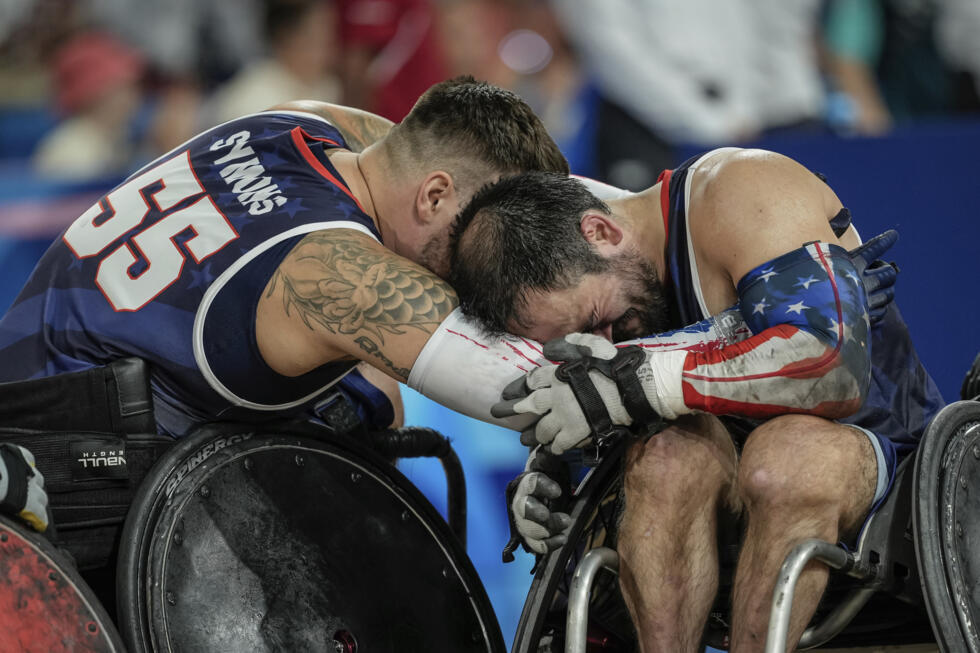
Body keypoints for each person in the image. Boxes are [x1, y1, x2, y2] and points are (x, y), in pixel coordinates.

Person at [0, 75, 568, 559]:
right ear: (435, 196)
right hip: (68, 474)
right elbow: (559, 390)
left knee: (366, 405)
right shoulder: (338, 272)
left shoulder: (298, 123)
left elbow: (419, 145)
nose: (490, 270)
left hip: (36, 386)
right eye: (493, 244)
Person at [445, 149, 945, 651]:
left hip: (880, 454)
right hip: (728, 474)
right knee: (666, 458)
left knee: (787, 458)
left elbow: (832, 368)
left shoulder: (743, 191)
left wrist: (640, 378)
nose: (605, 341)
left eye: (599, 319)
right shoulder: (613, 287)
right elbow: (625, 386)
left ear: (601, 231)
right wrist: (554, 468)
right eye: (584, 338)